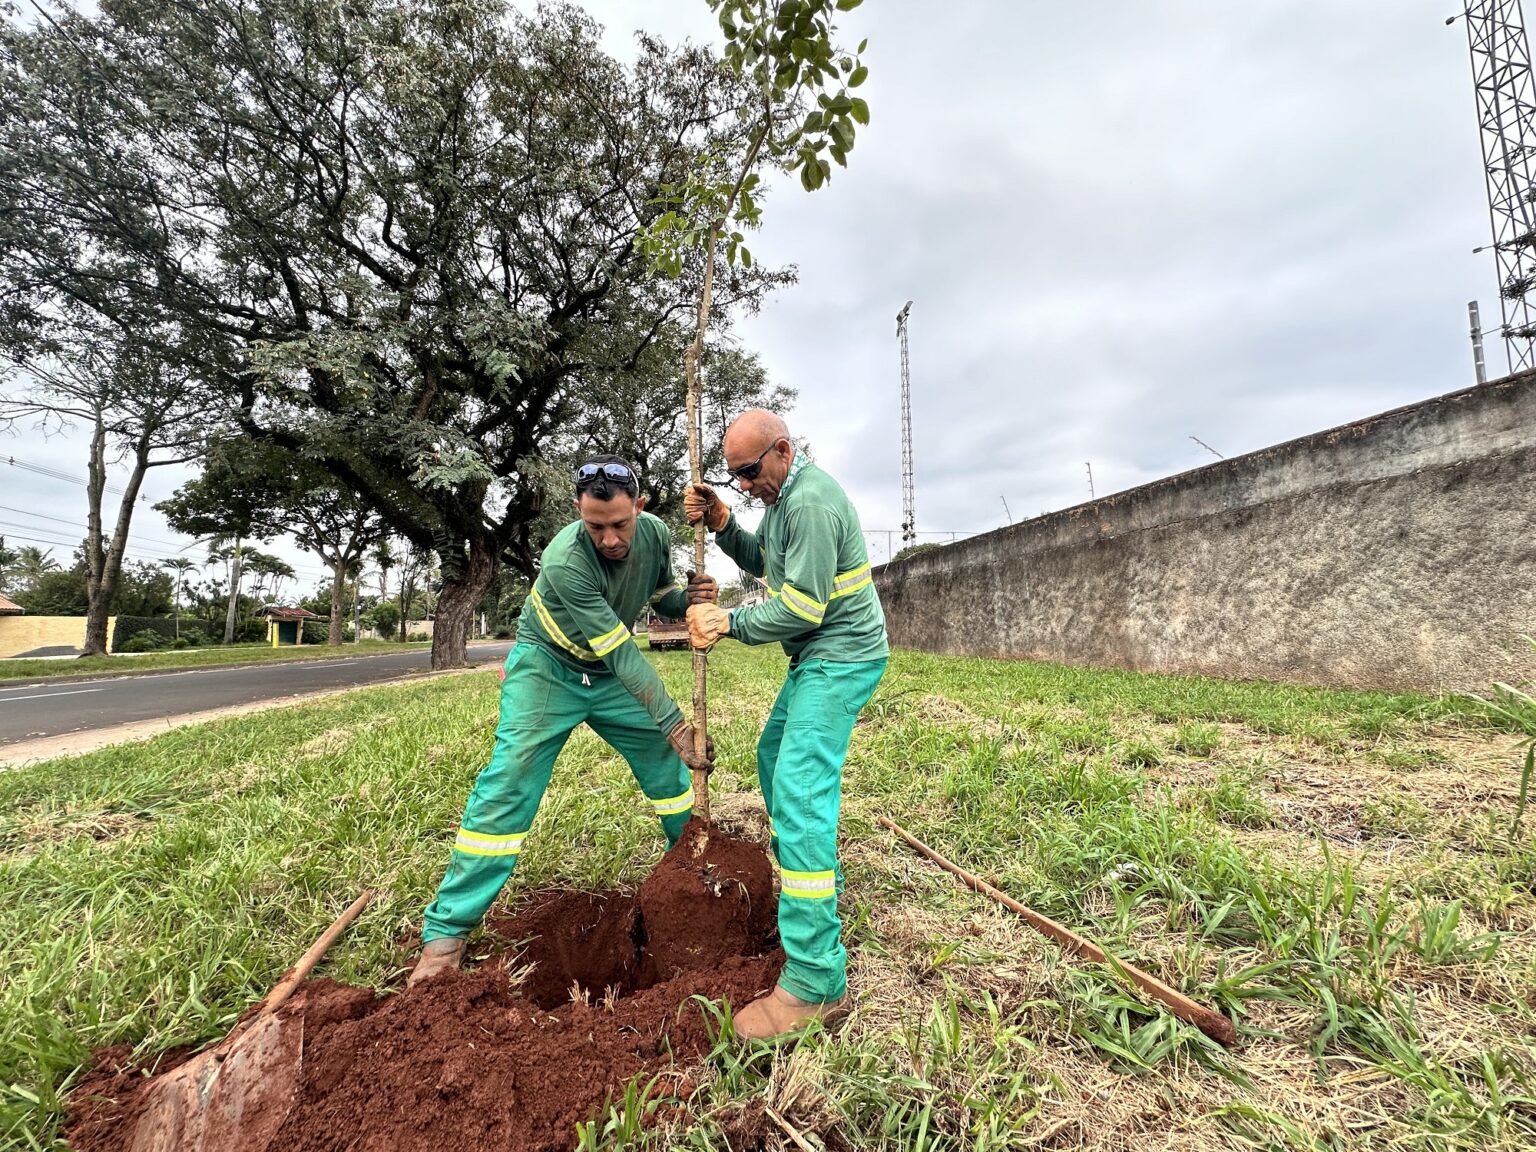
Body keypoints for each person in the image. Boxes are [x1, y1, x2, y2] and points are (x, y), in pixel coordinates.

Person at [410, 456, 714, 985]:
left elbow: (659, 594)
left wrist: (688, 598)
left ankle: (691, 871)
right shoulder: (564, 561)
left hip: (608, 673)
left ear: (640, 507)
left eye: (620, 524)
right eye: (595, 526)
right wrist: (674, 723)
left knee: (666, 769)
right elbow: (621, 650)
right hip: (548, 667)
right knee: (510, 780)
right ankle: (447, 934)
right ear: (578, 512)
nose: (610, 539)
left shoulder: (657, 534)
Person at [683, 409, 888, 1039]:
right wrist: (724, 524)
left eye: (749, 472)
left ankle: (816, 981)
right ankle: (817, 886)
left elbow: (799, 607)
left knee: (798, 790)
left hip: (841, 655)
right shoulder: (782, 501)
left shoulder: (812, 503)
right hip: (816, 656)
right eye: (735, 477)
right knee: (773, 758)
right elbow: (767, 559)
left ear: (782, 449)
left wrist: (728, 622)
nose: (745, 485)